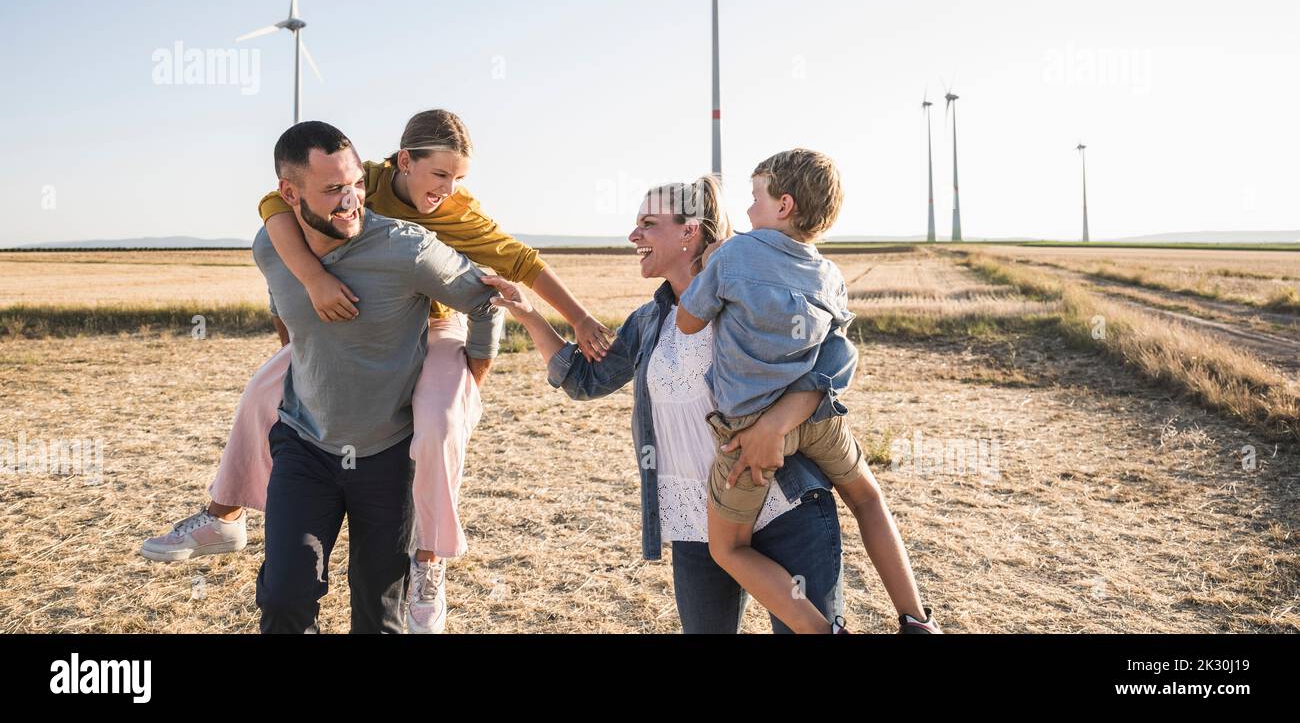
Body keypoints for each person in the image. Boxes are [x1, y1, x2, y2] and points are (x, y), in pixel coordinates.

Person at [140, 109, 613, 633]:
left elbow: (511, 269)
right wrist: (312, 295)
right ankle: (223, 516)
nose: (448, 189)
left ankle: (429, 560)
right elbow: (275, 214)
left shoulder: (437, 227)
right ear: (402, 161)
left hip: (429, 338)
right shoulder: (319, 207)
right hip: (321, 408)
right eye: (439, 176)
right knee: (259, 397)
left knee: (439, 424)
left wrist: (570, 323)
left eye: (458, 178)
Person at [485, 176, 850, 632]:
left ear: (688, 232)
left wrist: (775, 427)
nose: (633, 236)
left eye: (647, 224)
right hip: (698, 521)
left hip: (784, 504)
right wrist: (528, 313)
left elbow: (831, 361)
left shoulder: (746, 301)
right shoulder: (648, 322)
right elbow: (584, 380)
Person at [246, 120, 504, 632]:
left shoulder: (408, 248)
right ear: (289, 194)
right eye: (333, 189)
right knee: (283, 598)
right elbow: (282, 308)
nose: (351, 200)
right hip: (305, 446)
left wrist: (472, 376)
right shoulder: (271, 247)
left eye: (357, 183)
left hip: (389, 457)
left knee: (378, 614)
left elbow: (486, 300)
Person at [675, 148, 939, 634]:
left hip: (750, 428)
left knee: (727, 548)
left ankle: (821, 630)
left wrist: (707, 265)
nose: (748, 211)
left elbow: (689, 322)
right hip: (818, 421)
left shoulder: (733, 255)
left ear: (784, 205)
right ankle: (916, 619)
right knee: (868, 501)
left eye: (756, 198)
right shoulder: (830, 275)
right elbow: (835, 357)